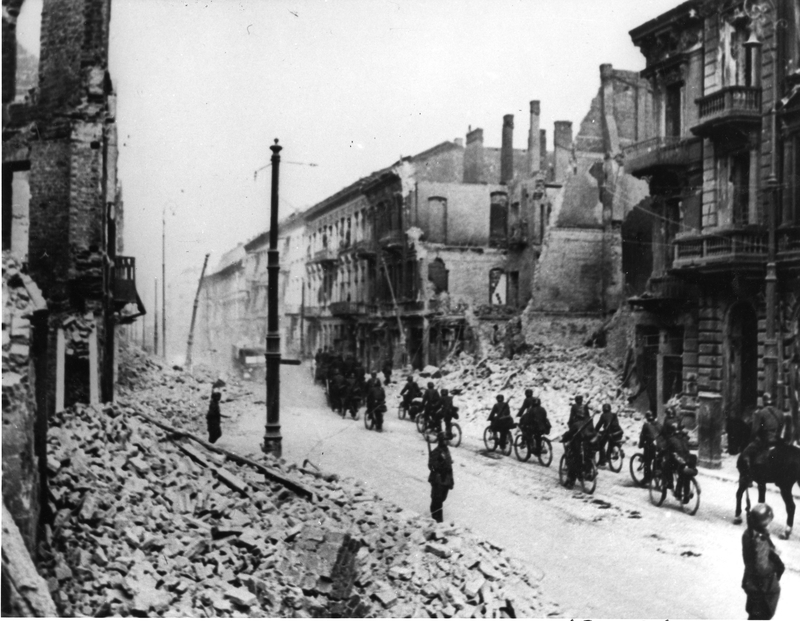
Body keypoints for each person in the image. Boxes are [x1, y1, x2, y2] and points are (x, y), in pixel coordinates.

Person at [741, 503, 784, 619]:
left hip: (752, 582)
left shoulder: (749, 533)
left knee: (754, 614)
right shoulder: (760, 539)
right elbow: (762, 567)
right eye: (768, 523)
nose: (769, 525)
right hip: (762, 586)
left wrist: (770, 550)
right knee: (760, 615)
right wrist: (774, 565)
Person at [741, 393, 785, 481]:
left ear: (764, 402)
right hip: (778, 441)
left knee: (745, 454)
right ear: (773, 401)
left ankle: (748, 478)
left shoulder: (761, 413)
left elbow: (754, 431)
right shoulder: (780, 413)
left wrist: (751, 441)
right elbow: (782, 427)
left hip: (766, 441)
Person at [661, 420, 697, 503]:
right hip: (687, 460)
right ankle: (686, 496)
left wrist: (661, 453)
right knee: (685, 475)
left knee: (667, 466)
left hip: (680, 461)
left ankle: (671, 485)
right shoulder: (684, 438)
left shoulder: (671, 439)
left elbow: (665, 449)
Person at [564, 395, 595, 487]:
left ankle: (571, 481)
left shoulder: (575, 422)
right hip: (588, 446)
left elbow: (570, 423)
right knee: (587, 457)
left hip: (578, 446)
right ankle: (588, 472)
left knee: (573, 458)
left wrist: (564, 437)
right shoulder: (588, 422)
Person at [428, 432, 454, 523]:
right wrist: (438, 463)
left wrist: (451, 481)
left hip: (445, 479)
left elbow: (450, 466)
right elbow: (431, 466)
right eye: (444, 440)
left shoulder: (446, 451)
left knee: (442, 498)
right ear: (440, 441)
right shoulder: (436, 452)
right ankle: (437, 519)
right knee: (437, 500)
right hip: (438, 479)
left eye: (447, 440)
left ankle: (437, 518)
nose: (446, 442)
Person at [638, 410, 663, 483]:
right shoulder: (659, 424)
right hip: (661, 446)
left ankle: (647, 478)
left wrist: (640, 445)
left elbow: (642, 436)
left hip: (651, 446)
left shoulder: (646, 425)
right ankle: (658, 475)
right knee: (658, 460)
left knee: (647, 461)